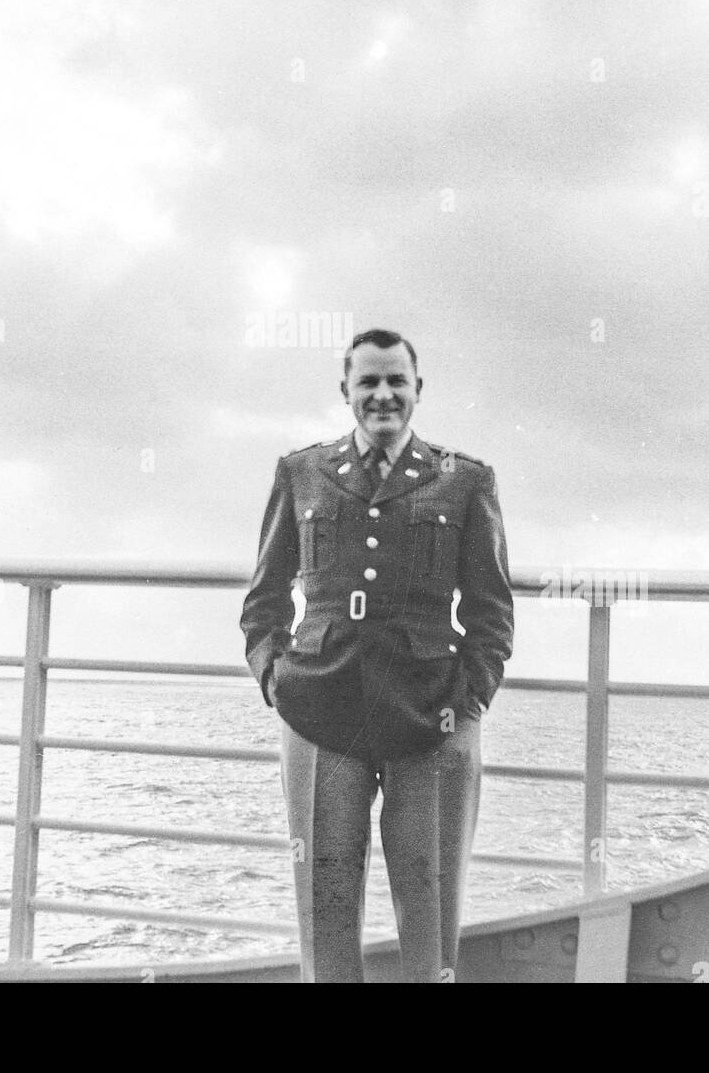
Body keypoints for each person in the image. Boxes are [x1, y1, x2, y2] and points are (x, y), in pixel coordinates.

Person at [240, 327, 515, 982]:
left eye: (397, 381)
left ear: (418, 389)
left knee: (430, 919)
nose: (383, 394)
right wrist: (277, 680)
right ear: (346, 392)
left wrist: (466, 703)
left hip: (431, 715)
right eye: (369, 382)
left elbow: (490, 613)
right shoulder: (302, 473)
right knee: (324, 915)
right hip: (319, 710)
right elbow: (263, 601)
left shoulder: (465, 481)